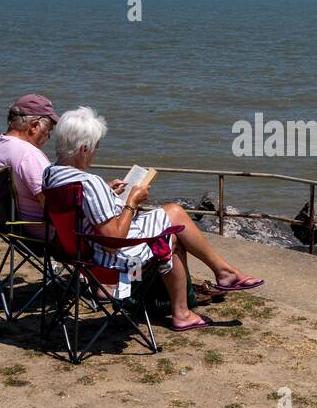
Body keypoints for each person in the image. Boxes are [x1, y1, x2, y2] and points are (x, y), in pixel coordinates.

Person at [44, 106, 264, 331]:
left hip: (78, 253)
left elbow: (82, 213)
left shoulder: (51, 174)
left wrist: (108, 194)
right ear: (83, 149)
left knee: (172, 215)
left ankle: (220, 275)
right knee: (173, 228)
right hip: (111, 263)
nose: (95, 153)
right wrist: (133, 201)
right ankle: (188, 306)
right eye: (95, 148)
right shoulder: (89, 183)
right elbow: (112, 242)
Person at [0, 94, 59, 238]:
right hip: (44, 234)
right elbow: (53, 205)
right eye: (49, 130)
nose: (48, 136)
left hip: (12, 228)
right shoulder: (28, 155)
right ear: (35, 126)